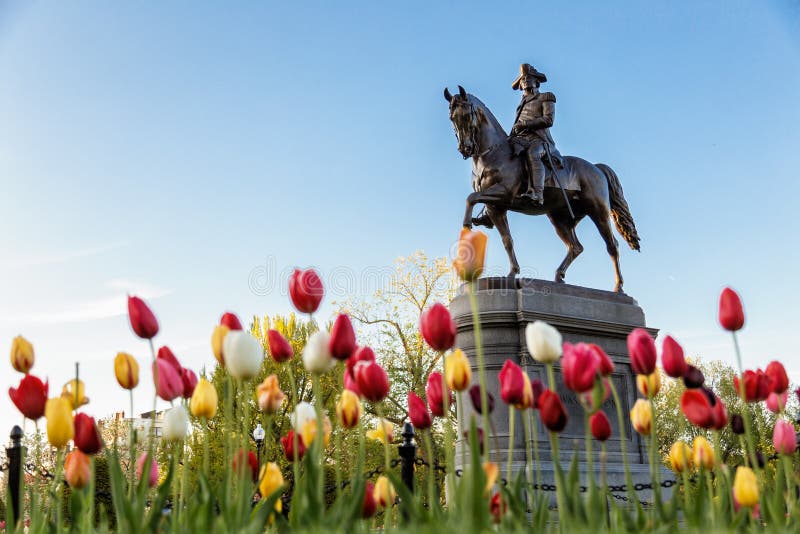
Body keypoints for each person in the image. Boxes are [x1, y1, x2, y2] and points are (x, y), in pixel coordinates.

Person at [509, 63, 563, 205]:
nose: (525, 80)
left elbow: (548, 120)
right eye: (523, 79)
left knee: (533, 154)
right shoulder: (521, 104)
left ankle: (537, 193)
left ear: (536, 81)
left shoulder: (545, 97)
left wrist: (525, 124)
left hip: (540, 140)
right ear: (520, 85)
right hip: (521, 139)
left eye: (529, 78)